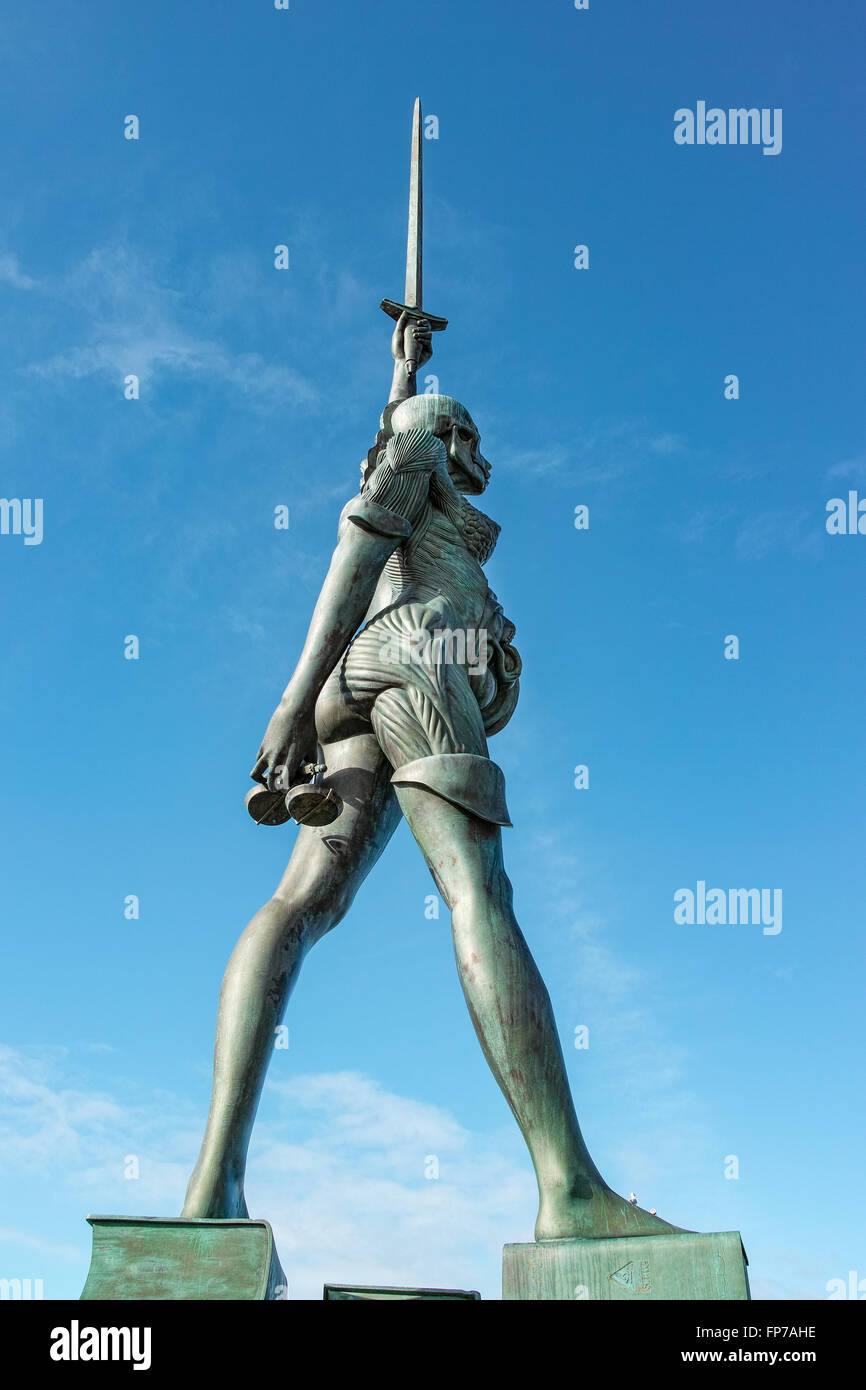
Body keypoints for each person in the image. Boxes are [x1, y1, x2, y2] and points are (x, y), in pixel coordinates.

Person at [181, 313, 679, 1241]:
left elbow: (385, 457)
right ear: (444, 443)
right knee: (477, 893)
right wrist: (289, 703)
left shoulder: (414, 465)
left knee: (302, 905)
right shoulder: (420, 463)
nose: (482, 455)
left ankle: (213, 1188)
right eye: (470, 437)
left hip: (359, 686)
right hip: (411, 660)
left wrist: (400, 374)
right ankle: (568, 1190)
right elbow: (358, 542)